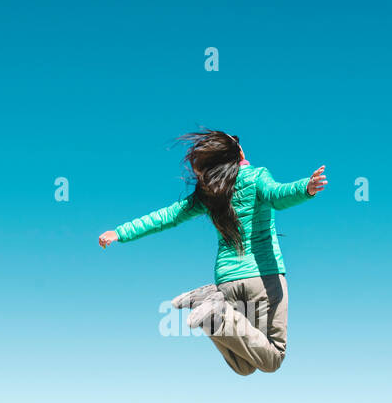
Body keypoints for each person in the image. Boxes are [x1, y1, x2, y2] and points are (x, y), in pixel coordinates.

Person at [98, 130, 326, 375]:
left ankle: (211, 309)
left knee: (245, 366)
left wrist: (120, 232)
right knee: (273, 358)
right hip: (263, 278)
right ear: (238, 153)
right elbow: (278, 195)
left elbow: (167, 217)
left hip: (227, 282)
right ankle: (219, 312)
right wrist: (307, 188)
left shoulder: (209, 193)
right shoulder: (256, 176)